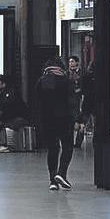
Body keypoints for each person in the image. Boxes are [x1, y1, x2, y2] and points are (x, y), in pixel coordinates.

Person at [36, 57, 76, 191]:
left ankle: (52, 180)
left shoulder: (41, 81)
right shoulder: (66, 81)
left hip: (47, 120)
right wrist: (78, 119)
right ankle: (61, 173)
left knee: (53, 149)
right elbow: (72, 102)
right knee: (67, 147)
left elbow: (36, 102)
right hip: (65, 119)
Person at [0, 74, 29, 151]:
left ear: (3, 84)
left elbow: (9, 109)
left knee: (3, 124)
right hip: (9, 117)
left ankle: (4, 144)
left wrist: (1, 118)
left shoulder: (11, 93)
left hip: (19, 117)